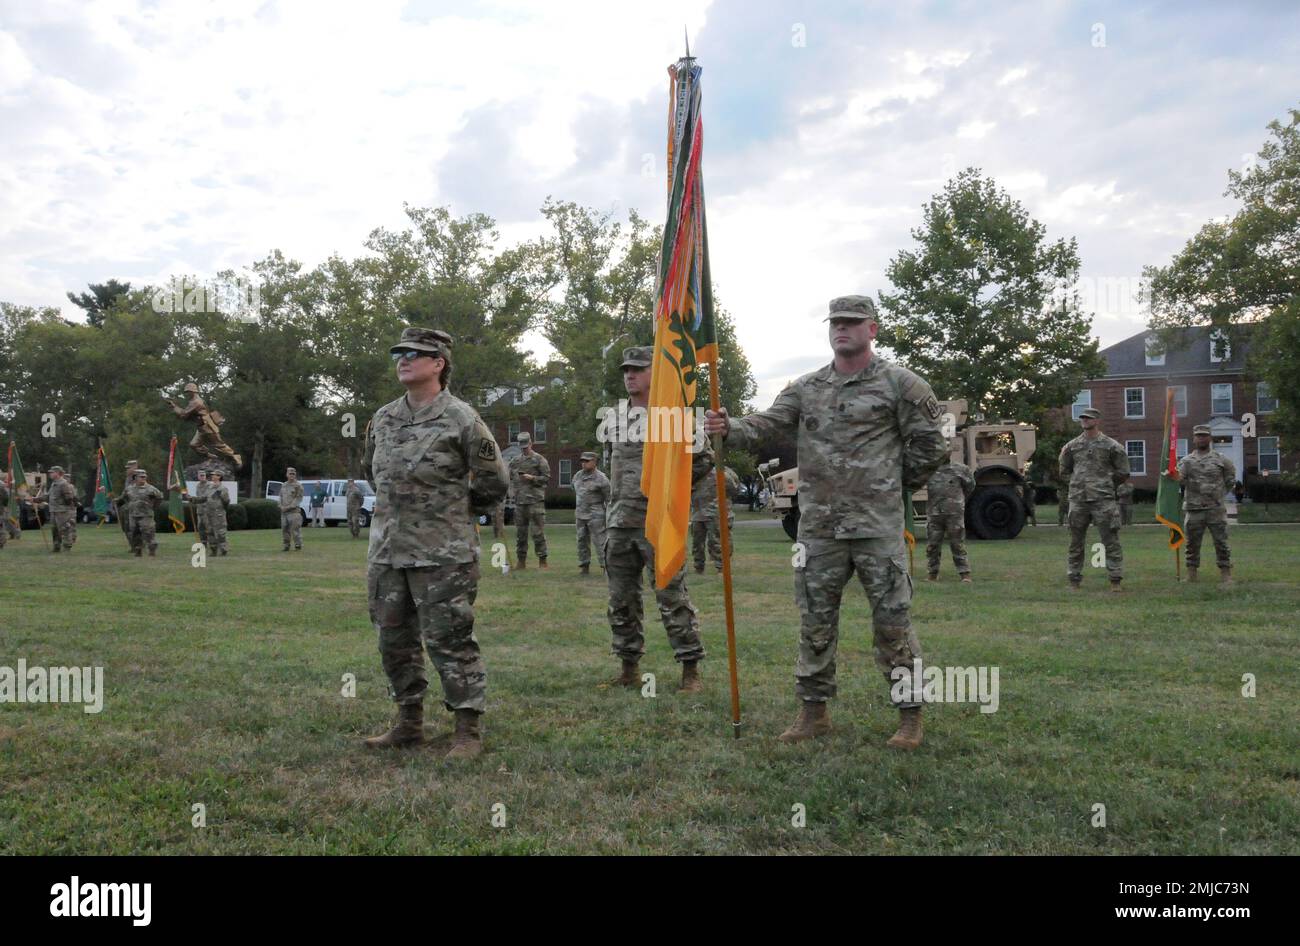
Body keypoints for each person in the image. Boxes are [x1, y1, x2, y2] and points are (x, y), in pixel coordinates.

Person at [705, 296, 948, 748]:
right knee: (815, 621)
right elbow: (769, 423)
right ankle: (813, 713)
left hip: (877, 528)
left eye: (853, 323)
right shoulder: (808, 386)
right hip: (818, 529)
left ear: (872, 330)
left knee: (892, 623)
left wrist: (889, 483)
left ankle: (910, 716)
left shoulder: (902, 385)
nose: (842, 329)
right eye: (836, 322)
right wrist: (729, 426)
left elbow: (932, 445)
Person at [362, 327, 508, 759]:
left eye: (413, 354)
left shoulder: (462, 418)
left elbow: (494, 480)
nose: (402, 360)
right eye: (399, 354)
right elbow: (376, 475)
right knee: (394, 640)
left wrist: (454, 517)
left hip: (443, 553)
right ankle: (409, 722)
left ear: (438, 363)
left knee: (450, 639)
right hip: (388, 552)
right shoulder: (383, 418)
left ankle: (467, 730)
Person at [603, 346, 709, 693]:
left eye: (638, 369)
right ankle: (628, 667)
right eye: (626, 370)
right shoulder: (615, 418)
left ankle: (690, 669)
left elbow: (704, 459)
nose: (629, 375)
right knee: (621, 601)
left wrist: (672, 491)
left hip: (659, 522)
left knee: (671, 597)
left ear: (655, 373)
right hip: (620, 521)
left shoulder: (674, 416)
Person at [1059, 408, 1129, 592]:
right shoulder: (1072, 446)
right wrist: (1077, 484)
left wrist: (1104, 484)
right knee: (1076, 542)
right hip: (1079, 500)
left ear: (1097, 420)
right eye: (1082, 418)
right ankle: (1074, 579)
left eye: (1088, 418)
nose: (1085, 421)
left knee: (1110, 540)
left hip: (1103, 500)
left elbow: (1123, 472)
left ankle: (1115, 580)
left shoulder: (1111, 446)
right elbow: (1064, 471)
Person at [1177, 424, 1236, 585]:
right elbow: (1179, 479)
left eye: (1204, 435)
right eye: (1198, 436)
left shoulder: (1221, 460)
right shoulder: (1186, 461)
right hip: (1194, 509)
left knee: (1221, 542)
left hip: (1215, 509)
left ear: (1210, 438)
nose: (1201, 438)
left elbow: (1230, 480)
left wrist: (1218, 494)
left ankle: (1226, 573)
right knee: (1192, 544)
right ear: (1194, 439)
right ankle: (1191, 574)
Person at [167, 382, 242, 468]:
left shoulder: (196, 402)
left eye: (188, 392)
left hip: (208, 426)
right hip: (201, 428)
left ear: (193, 391)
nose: (187, 394)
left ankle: (236, 457)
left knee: (219, 445)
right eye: (186, 392)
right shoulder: (193, 401)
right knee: (194, 444)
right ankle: (210, 456)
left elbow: (184, 414)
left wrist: (174, 406)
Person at [925, 460, 975, 582]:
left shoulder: (961, 469)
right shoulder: (928, 468)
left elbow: (970, 486)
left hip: (954, 514)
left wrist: (958, 500)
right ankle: (932, 574)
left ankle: (965, 574)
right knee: (933, 545)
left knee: (957, 543)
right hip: (935, 513)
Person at [509, 432, 549, 569]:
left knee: (538, 533)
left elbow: (546, 479)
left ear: (531, 443)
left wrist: (533, 478)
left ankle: (542, 560)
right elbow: (508, 478)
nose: (524, 449)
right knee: (521, 534)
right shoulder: (515, 461)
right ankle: (521, 561)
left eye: (526, 446)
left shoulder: (539, 460)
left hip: (535, 502)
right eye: (522, 447)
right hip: (520, 503)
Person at [690, 464, 739, 574]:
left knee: (717, 541)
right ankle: (698, 567)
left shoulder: (721, 471)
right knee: (697, 543)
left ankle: (721, 567)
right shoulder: (694, 471)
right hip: (698, 512)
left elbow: (734, 488)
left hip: (716, 511)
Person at [571, 451, 610, 575]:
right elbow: (575, 490)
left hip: (596, 515)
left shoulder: (601, 478)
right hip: (580, 514)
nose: (584, 463)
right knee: (581, 541)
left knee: (600, 541)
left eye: (587, 461)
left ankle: (606, 567)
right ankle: (584, 566)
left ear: (594, 462)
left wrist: (608, 515)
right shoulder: (577, 476)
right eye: (582, 461)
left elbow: (609, 498)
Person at [36, 466, 79, 553]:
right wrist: (35, 499)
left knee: (65, 529)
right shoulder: (54, 484)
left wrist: (65, 509)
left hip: (62, 511)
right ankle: (56, 547)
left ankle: (67, 548)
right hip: (54, 511)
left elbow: (69, 498)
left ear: (57, 473)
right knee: (55, 530)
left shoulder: (63, 484)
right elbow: (47, 497)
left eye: (52, 472)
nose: (50, 474)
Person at [122, 469, 164, 557]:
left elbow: (159, 497)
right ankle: (138, 551)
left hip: (146, 515)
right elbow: (124, 498)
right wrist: (118, 502)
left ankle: (152, 551)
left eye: (145, 477)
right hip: (133, 515)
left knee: (149, 533)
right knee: (135, 534)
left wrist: (153, 506)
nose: (143, 478)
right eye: (141, 477)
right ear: (135, 478)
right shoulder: (129, 489)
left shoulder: (151, 489)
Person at [202, 470, 230, 556]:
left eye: (214, 475)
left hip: (218, 514)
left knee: (220, 533)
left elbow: (226, 501)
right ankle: (213, 550)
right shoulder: (209, 487)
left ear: (219, 477)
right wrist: (192, 499)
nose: (212, 476)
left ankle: (223, 549)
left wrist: (220, 509)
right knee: (210, 532)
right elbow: (203, 498)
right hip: (209, 514)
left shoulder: (223, 489)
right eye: (212, 475)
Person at [280, 468, 304, 551]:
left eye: (293, 474)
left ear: (295, 475)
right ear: (287, 474)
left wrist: (288, 507)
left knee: (295, 529)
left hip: (294, 512)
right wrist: (280, 506)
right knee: (284, 529)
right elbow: (280, 497)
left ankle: (298, 544)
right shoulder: (284, 485)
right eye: (290, 473)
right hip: (284, 512)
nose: (291, 475)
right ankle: (286, 545)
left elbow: (298, 499)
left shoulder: (298, 486)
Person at [116, 460, 139, 548]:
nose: (127, 470)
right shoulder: (128, 478)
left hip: (136, 506)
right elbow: (126, 492)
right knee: (127, 527)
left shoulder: (138, 478)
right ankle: (133, 545)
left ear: (134, 467)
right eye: (127, 468)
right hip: (128, 506)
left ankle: (138, 545)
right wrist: (118, 499)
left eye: (129, 468)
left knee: (134, 527)